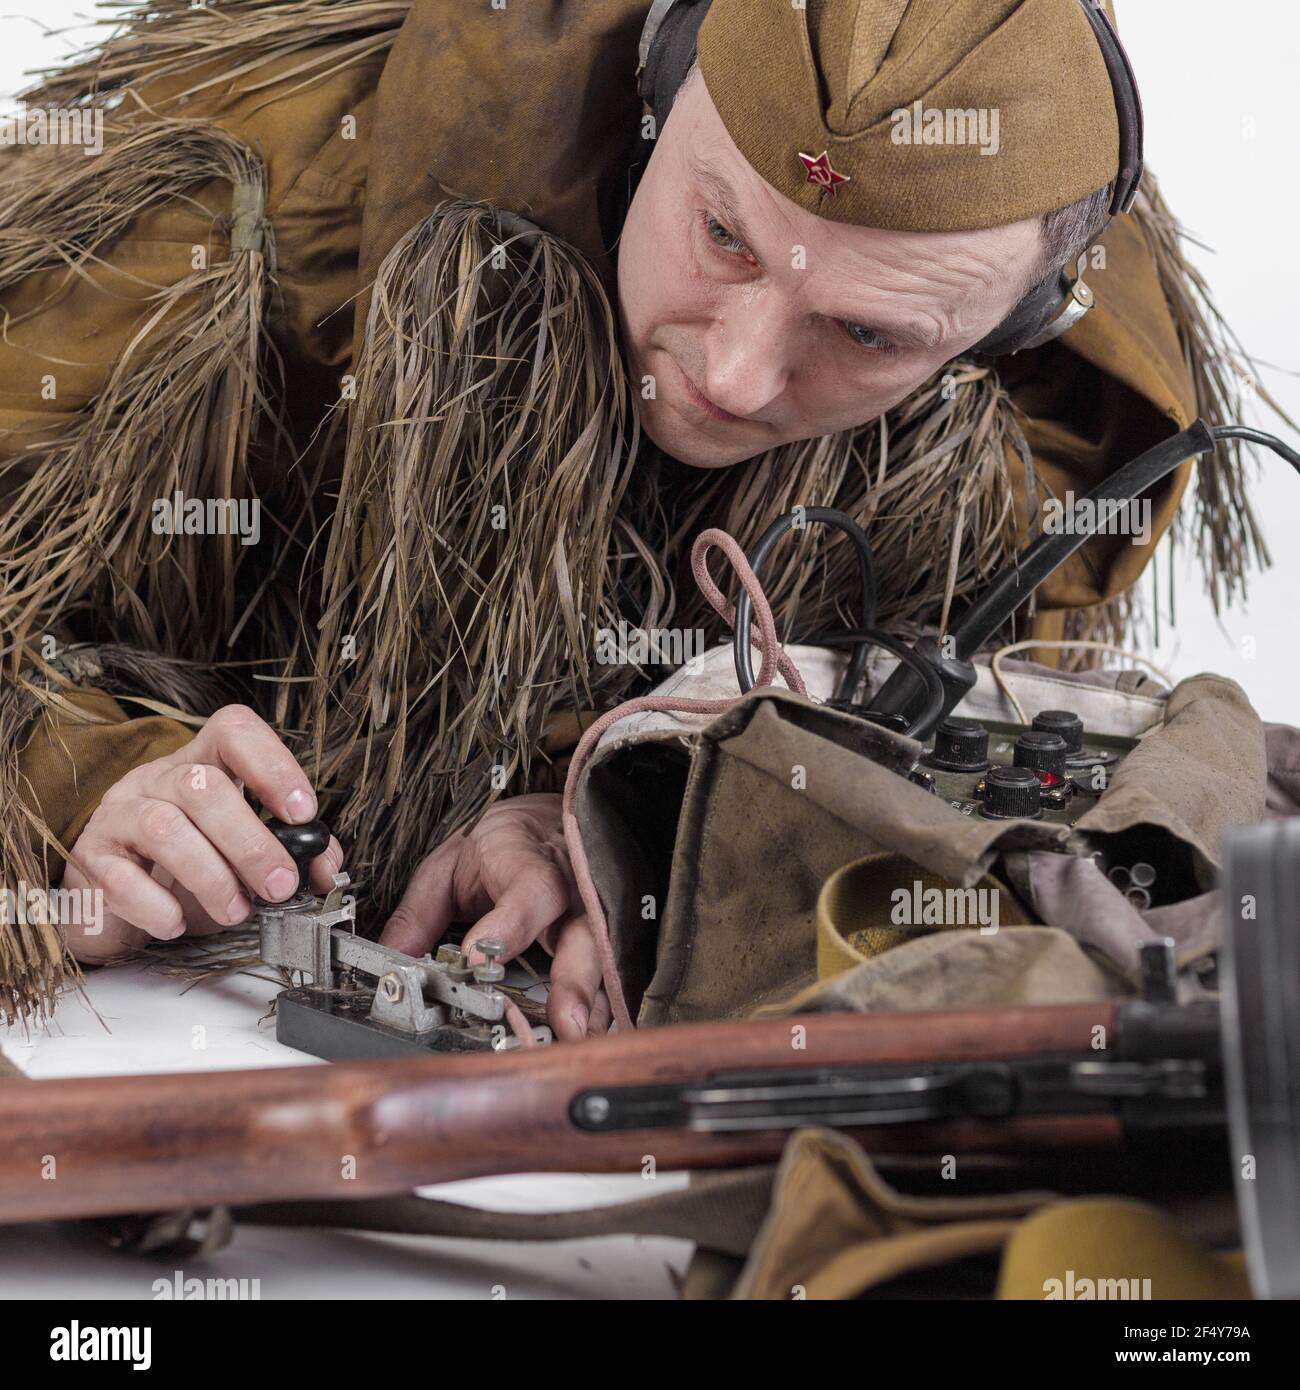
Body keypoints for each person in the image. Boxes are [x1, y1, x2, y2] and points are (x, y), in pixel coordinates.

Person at [0, 0, 1262, 1034]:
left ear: (1014, 321)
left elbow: (938, 745)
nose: (733, 374)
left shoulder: (1058, 414)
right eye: (721, 233)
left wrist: (600, 812)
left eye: (870, 335)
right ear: (657, 93)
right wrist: (88, 786)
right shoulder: (232, 203)